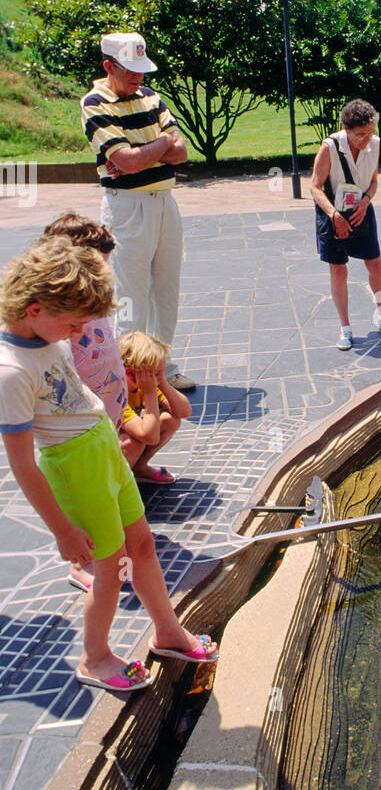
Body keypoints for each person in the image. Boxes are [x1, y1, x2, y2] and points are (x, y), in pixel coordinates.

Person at [0, 236, 218, 691]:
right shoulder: (12, 371)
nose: (80, 334)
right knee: (111, 566)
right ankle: (95, 657)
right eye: (74, 324)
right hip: (74, 466)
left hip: (102, 448)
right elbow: (23, 464)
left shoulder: (48, 334)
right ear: (36, 308)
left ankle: (167, 631)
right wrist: (63, 530)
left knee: (141, 546)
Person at [80, 31, 195, 392]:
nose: (138, 77)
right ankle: (133, 377)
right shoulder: (95, 102)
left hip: (165, 203)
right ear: (108, 66)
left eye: (141, 70)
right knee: (130, 296)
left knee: (166, 290)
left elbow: (182, 152)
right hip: (127, 207)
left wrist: (141, 152)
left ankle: (163, 369)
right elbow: (128, 162)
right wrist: (158, 144)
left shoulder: (151, 97)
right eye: (130, 70)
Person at [310, 99, 381, 350]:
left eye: (369, 133)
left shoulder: (374, 145)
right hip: (332, 211)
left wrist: (366, 201)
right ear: (345, 128)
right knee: (338, 269)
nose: (365, 140)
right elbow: (314, 186)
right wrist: (334, 216)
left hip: (361, 208)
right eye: (359, 135)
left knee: (375, 263)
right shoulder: (330, 147)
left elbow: (374, 181)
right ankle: (345, 328)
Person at [41, 213, 127, 430]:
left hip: (110, 396)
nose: (101, 275)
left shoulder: (94, 292)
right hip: (84, 404)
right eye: (94, 269)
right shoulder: (62, 305)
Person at [119, 331, 191, 484]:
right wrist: (150, 392)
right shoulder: (116, 393)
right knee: (133, 443)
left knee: (171, 419)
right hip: (107, 453)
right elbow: (149, 436)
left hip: (123, 440)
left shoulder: (146, 382)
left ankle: (138, 467)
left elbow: (184, 412)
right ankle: (118, 485)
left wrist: (162, 382)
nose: (159, 378)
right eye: (156, 373)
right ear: (131, 374)